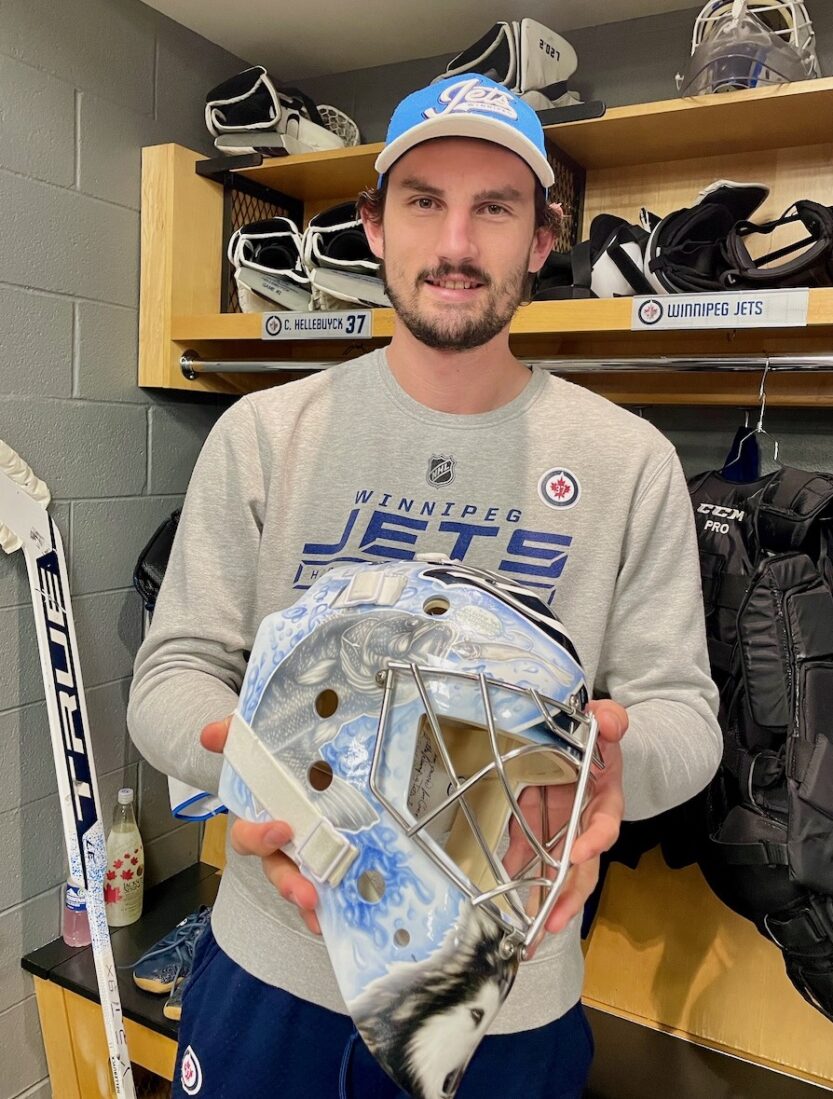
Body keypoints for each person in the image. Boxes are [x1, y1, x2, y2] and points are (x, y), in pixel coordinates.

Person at [128, 74, 722, 1099]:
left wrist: (613, 774)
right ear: (371, 227)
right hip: (273, 984)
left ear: (541, 240)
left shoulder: (628, 463)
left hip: (508, 1011)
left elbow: (683, 713)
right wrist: (251, 769)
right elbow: (172, 674)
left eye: (493, 207)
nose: (456, 244)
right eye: (423, 201)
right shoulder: (264, 436)